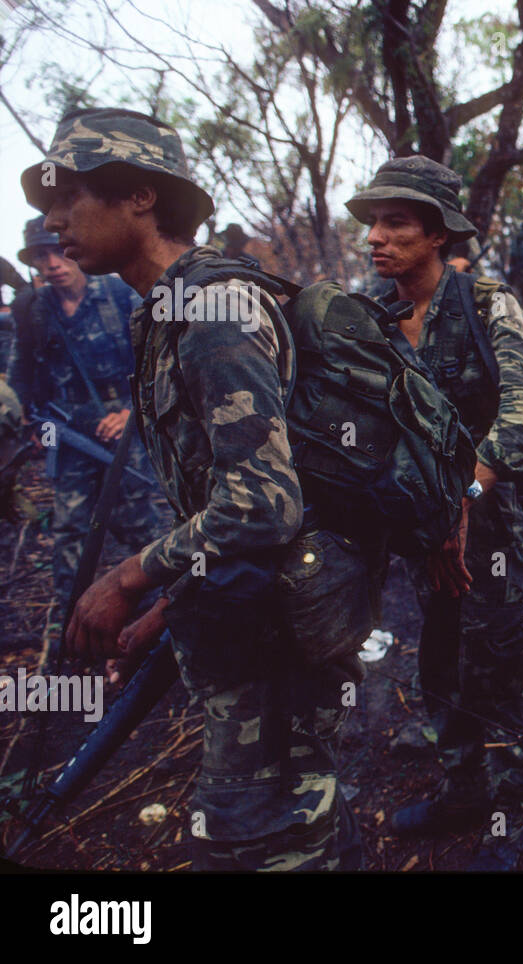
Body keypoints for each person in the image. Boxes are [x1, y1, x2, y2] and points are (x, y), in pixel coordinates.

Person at [27, 107, 365, 870]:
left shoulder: (212, 308)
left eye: (69, 197)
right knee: (299, 818)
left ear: (140, 197)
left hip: (279, 635)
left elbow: (263, 502)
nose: (52, 222)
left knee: (254, 840)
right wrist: (163, 615)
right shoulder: (171, 307)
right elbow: (220, 504)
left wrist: (127, 576)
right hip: (244, 618)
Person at [345, 155, 523, 871]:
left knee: (507, 664)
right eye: (373, 222)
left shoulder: (486, 304)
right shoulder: (373, 322)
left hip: (491, 526)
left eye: (396, 223)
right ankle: (463, 787)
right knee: (439, 661)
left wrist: (465, 494)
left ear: (437, 235)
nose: (376, 237)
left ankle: (515, 809)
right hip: (422, 532)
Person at [8, 215, 160, 612]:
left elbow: (158, 360)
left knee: (138, 523)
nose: (53, 264)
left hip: (125, 422)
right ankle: (70, 621)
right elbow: (22, 368)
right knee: (70, 528)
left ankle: (159, 616)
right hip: (69, 424)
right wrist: (23, 418)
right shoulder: (34, 309)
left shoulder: (118, 293)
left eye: (58, 252)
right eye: (42, 257)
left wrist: (132, 410)